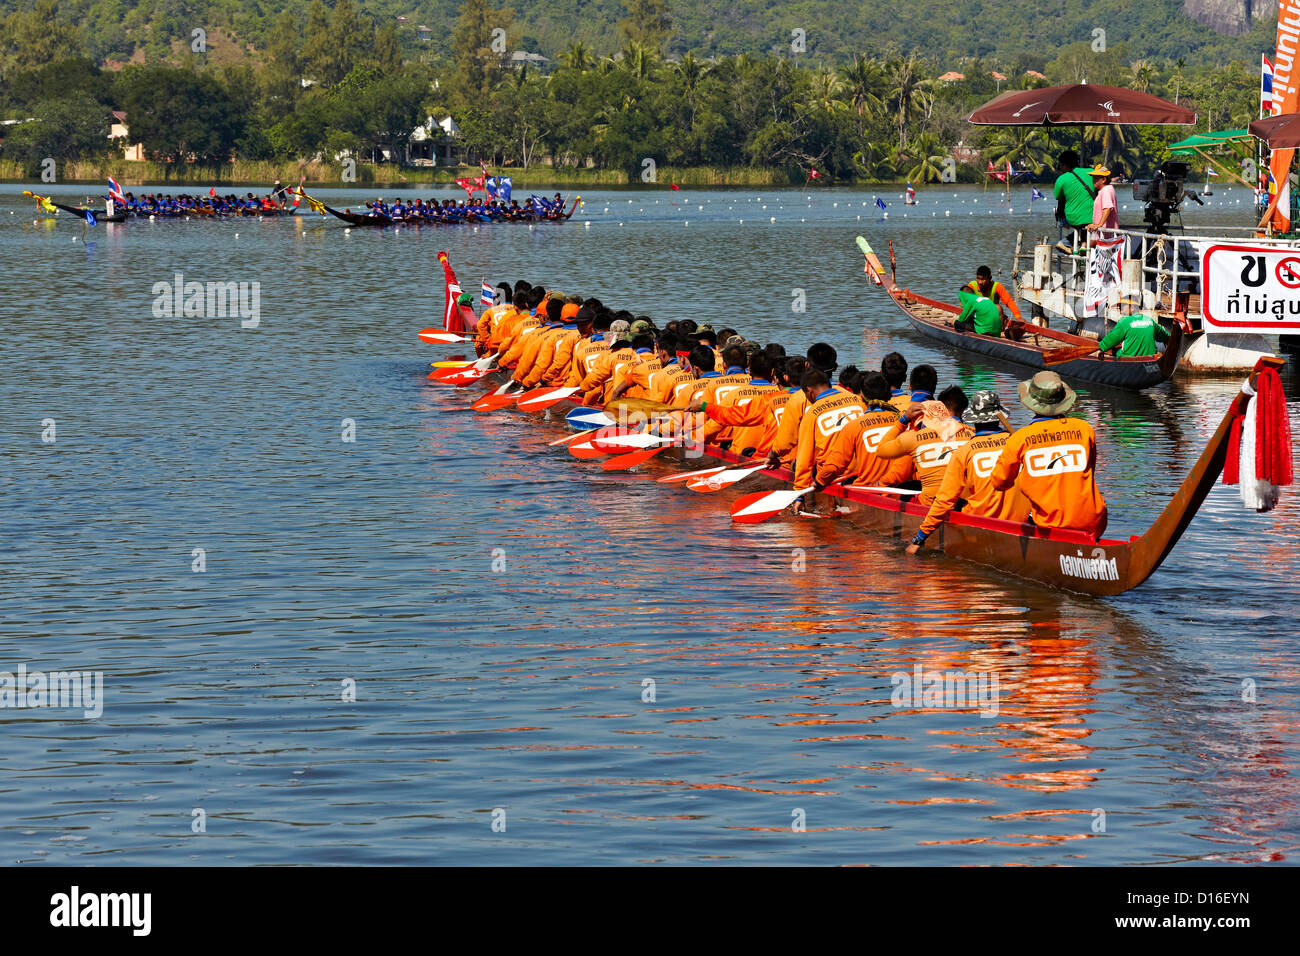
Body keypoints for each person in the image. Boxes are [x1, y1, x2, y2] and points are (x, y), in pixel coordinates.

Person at [906, 390, 1031, 554]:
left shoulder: (964, 452)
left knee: (954, 500)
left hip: (979, 528)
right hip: (1019, 523)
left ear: (973, 417)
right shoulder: (1020, 444)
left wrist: (918, 539)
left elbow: (944, 500)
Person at [989, 371, 1108, 538]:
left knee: (1022, 516)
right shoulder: (1085, 429)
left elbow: (999, 482)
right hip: (1095, 522)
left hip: (1050, 526)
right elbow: (1089, 470)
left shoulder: (1020, 438)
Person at [875, 386, 975, 506]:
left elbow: (881, 451)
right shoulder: (973, 435)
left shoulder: (915, 436)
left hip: (930, 505)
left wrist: (903, 421)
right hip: (965, 504)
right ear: (962, 411)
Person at [815, 372, 914, 490]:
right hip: (900, 487)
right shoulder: (905, 422)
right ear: (889, 396)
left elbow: (835, 465)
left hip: (867, 489)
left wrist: (818, 481)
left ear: (862, 396)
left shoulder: (853, 426)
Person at [791, 368, 866, 494]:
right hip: (863, 472)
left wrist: (800, 492)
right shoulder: (858, 401)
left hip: (830, 476)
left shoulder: (812, 413)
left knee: (796, 462)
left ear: (809, 392)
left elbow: (805, 457)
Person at [1052, 149, 1096, 251]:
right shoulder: (1091, 173)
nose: (1060, 168)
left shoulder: (1062, 179)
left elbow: (1057, 197)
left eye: (1061, 165)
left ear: (1065, 165)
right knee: (1087, 227)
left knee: (1081, 224)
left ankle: (1068, 243)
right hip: (1094, 216)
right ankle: (1080, 245)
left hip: (1073, 219)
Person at [1096, 302, 1171, 358]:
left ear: (1132, 308)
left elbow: (1112, 339)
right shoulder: (1150, 321)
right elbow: (1165, 336)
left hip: (1128, 358)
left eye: (1122, 308)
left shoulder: (1124, 321)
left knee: (1114, 351)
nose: (1120, 311)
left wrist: (1101, 348)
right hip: (1150, 358)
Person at [1086, 165, 1118, 236]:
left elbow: (1107, 208)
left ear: (1103, 179)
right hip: (1101, 233)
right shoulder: (1106, 190)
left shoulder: (1106, 190)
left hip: (1104, 234)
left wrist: (1099, 224)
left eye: (1096, 178)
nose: (1093, 181)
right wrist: (1095, 224)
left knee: (1087, 245)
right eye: (1093, 178)